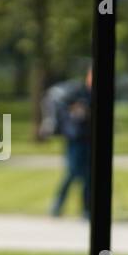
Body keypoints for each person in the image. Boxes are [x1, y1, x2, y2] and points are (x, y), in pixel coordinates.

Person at [42, 68, 92, 219]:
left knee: (88, 177)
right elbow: (66, 107)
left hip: (89, 140)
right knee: (72, 173)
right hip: (76, 140)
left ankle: (86, 210)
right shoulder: (78, 92)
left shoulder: (91, 95)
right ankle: (57, 206)